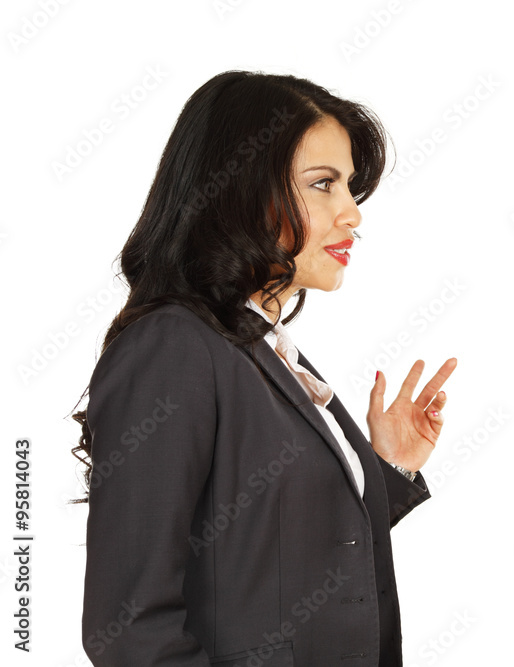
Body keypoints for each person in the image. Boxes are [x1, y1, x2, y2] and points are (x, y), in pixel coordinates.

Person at [71, 70, 457, 666]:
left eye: (350, 186)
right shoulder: (173, 347)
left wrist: (385, 472)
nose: (352, 212)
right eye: (323, 184)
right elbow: (128, 629)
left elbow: (269, 551)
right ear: (238, 190)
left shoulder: (259, 344)